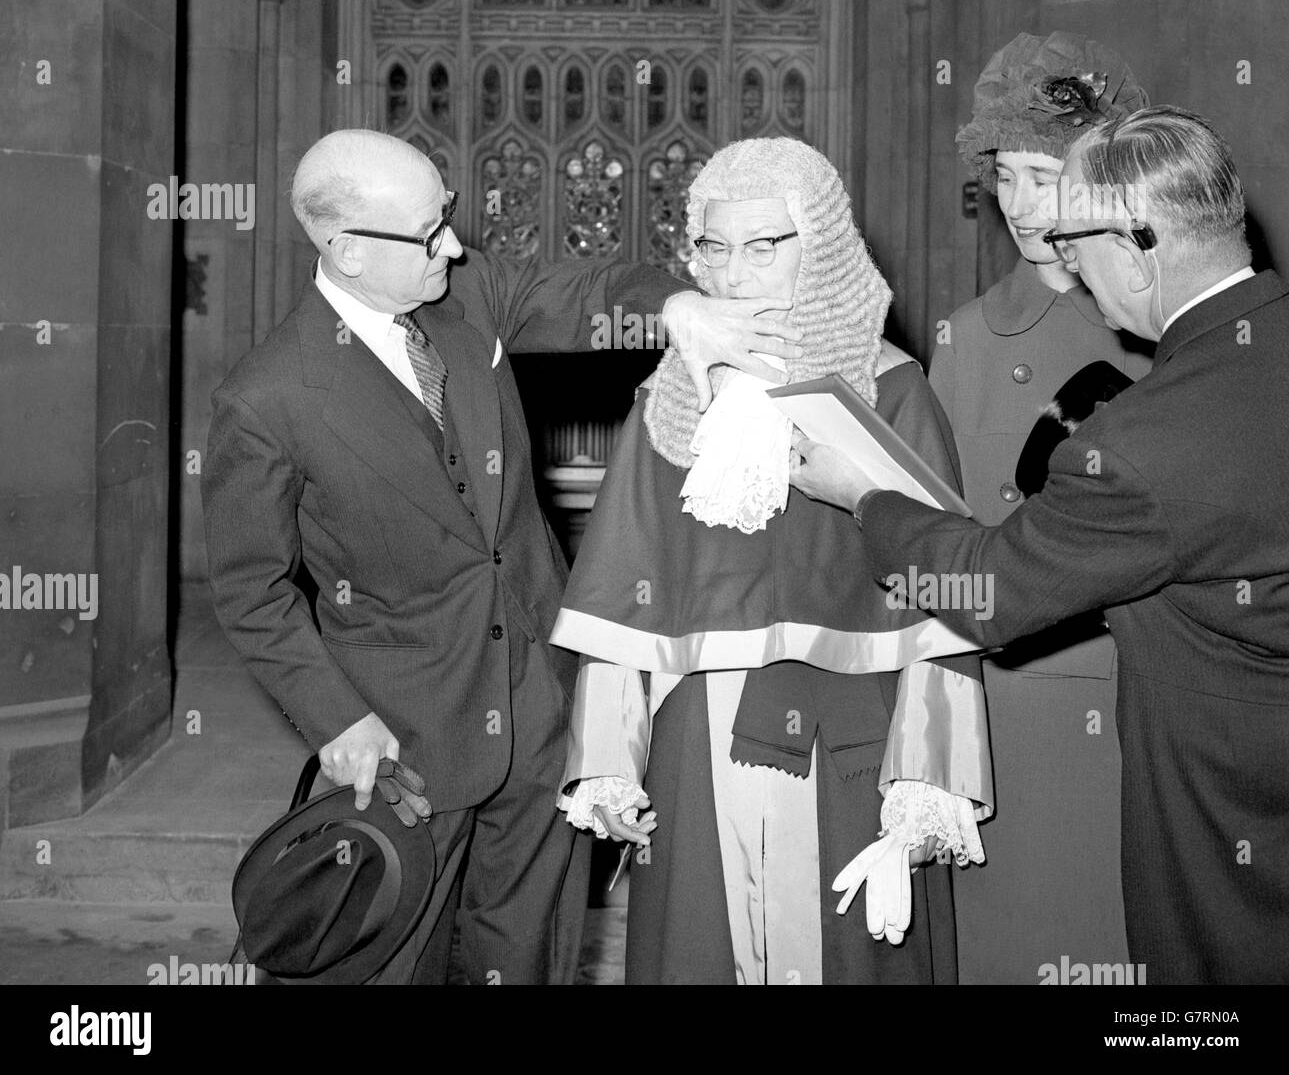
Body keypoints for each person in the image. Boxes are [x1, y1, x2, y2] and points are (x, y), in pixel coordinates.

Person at [201, 128, 802, 985]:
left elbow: (597, 287)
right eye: (428, 232)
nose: (453, 242)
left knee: (522, 960)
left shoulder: (467, 295)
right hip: (403, 743)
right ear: (345, 249)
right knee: (395, 965)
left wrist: (681, 308)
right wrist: (336, 719)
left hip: (539, 708)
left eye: (444, 216)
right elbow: (251, 594)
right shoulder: (265, 400)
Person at [790, 107, 1289, 984]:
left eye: (1072, 241)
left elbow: (990, 591)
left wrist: (863, 494)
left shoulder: (1143, 447)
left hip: (1235, 813)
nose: (1063, 262)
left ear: (1136, 245)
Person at [551, 137, 993, 985]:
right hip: (695, 745)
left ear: (818, 246)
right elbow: (618, 605)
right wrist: (607, 759)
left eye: (763, 246)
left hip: (853, 741)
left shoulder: (896, 390)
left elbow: (942, 605)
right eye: (713, 248)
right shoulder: (666, 398)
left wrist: (925, 787)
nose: (733, 273)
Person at [934, 31, 1153, 983]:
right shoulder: (967, 336)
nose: (1021, 206)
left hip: (1141, 702)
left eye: (1044, 173)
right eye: (1004, 177)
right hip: (1009, 706)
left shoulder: (1167, 334)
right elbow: (937, 541)